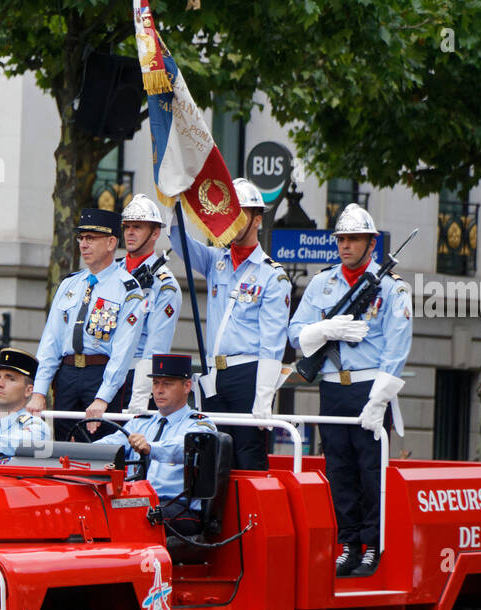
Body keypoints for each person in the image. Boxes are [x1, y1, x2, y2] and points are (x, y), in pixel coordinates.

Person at [288, 203, 412, 578]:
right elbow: (295, 332)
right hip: (332, 388)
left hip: (368, 389)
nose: (346, 245)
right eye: (341, 239)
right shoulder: (322, 283)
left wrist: (379, 400)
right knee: (339, 470)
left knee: (370, 471)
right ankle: (349, 544)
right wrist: (324, 331)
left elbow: (397, 345)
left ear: (371, 243)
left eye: (354, 239)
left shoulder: (391, 288)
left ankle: (373, 545)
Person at [170, 177, 291, 470]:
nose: (234, 221)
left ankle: (252, 517)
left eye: (242, 215)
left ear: (257, 220)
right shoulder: (216, 260)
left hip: (249, 374)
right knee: (215, 460)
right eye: (230, 214)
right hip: (215, 373)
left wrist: (264, 395)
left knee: (248, 456)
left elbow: (273, 342)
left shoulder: (272, 276)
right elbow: (179, 241)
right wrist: (173, 202)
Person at [29, 207, 148, 441]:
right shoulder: (70, 284)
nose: (83, 244)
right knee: (64, 446)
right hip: (67, 374)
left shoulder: (127, 289)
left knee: (100, 447)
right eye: (81, 238)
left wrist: (103, 397)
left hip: (100, 374)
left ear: (111, 242)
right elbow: (50, 341)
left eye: (91, 238)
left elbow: (123, 351)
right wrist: (39, 391)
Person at [92, 353, 216, 536]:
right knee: (91, 510)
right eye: (156, 383)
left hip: (178, 507)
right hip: (137, 499)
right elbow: (112, 442)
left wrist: (151, 447)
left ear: (187, 386)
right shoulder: (140, 423)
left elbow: (185, 446)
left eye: (167, 384)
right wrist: (86, 450)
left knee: (134, 515)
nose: (159, 390)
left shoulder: (199, 425)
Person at [116, 194, 182, 414]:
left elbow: (155, 346)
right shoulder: (112, 273)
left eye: (138, 227)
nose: (130, 233)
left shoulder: (164, 285)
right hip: (104, 372)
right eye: (127, 227)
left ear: (155, 233)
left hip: (134, 375)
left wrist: (140, 398)